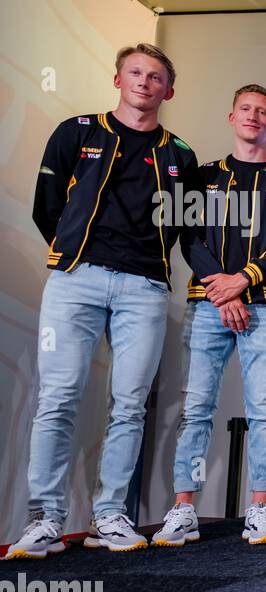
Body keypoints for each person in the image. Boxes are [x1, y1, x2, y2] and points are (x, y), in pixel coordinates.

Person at [9, 44, 199, 559]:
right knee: (58, 397)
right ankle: (44, 518)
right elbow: (47, 207)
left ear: (169, 90)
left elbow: (188, 231)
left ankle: (109, 515)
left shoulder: (180, 155)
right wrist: (76, 252)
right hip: (76, 280)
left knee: (130, 404)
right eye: (135, 73)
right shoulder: (76, 132)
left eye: (155, 76)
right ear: (118, 79)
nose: (144, 82)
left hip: (144, 289)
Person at [152, 84, 266, 548]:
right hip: (208, 304)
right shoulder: (202, 176)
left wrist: (244, 280)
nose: (254, 117)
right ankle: (184, 509)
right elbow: (189, 239)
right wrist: (225, 290)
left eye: (263, 112)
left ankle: (259, 508)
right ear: (231, 116)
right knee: (196, 409)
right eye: (246, 109)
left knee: (264, 412)